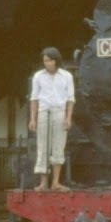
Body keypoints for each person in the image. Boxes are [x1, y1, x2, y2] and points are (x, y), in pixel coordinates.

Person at [29, 46, 75, 191]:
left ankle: (55, 182)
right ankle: (43, 182)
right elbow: (34, 98)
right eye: (45, 61)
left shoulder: (67, 76)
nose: (47, 63)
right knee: (42, 147)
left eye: (49, 60)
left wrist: (68, 118)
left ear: (56, 60)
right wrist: (33, 119)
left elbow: (71, 99)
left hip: (60, 112)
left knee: (58, 146)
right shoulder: (38, 76)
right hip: (43, 112)